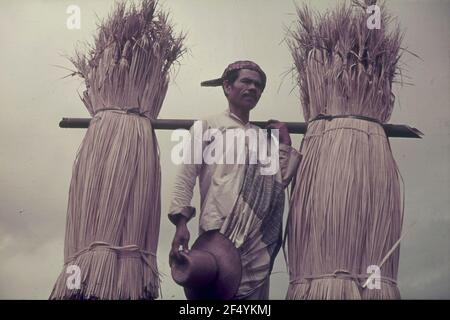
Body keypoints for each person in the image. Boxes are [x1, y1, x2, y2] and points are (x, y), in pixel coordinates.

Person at [168, 60, 302, 299]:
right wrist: (181, 223)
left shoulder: (263, 138)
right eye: (246, 81)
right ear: (227, 87)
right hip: (218, 230)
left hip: (257, 238)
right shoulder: (207, 126)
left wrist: (284, 144)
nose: (253, 88)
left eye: (258, 85)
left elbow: (277, 184)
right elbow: (186, 175)